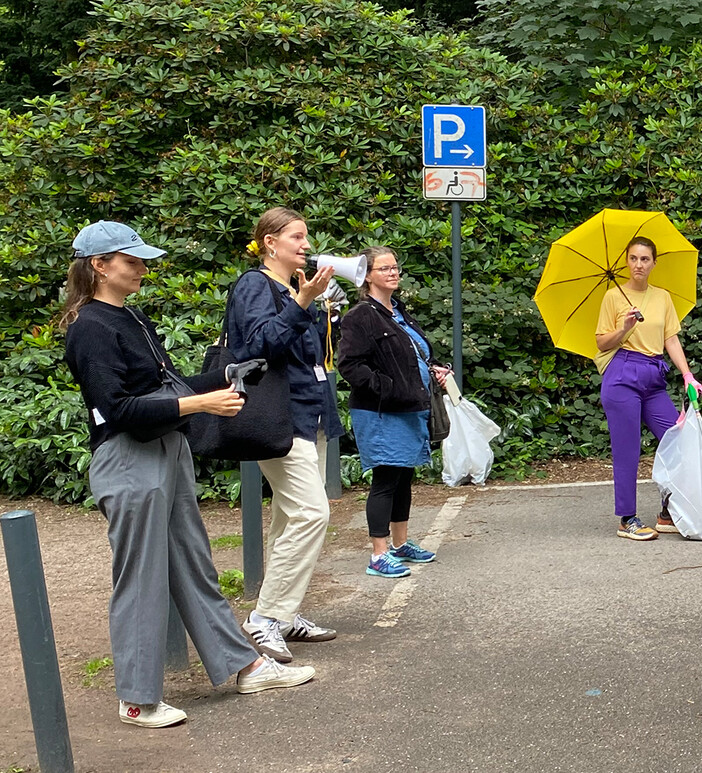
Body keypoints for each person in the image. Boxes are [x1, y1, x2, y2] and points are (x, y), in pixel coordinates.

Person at [62, 221, 315, 728]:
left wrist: (225, 375)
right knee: (140, 579)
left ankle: (244, 666)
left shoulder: (129, 317)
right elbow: (118, 410)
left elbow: (166, 386)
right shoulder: (90, 326)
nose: (141, 268)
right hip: (129, 457)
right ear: (99, 266)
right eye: (130, 261)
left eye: (141, 260)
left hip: (167, 449)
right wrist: (203, 402)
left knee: (195, 565)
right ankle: (136, 699)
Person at [228, 207, 345, 661]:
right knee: (311, 514)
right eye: (297, 236)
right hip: (277, 416)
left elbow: (311, 356)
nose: (307, 244)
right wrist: (301, 305)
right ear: (269, 242)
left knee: (286, 517)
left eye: (307, 236)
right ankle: (265, 619)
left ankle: (286, 611)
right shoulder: (254, 285)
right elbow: (256, 347)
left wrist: (319, 308)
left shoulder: (295, 288)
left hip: (307, 413)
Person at [338, 247, 447, 577]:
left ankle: (400, 545)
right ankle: (379, 553)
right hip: (382, 412)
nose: (393, 273)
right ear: (367, 275)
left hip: (411, 407)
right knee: (386, 479)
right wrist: (388, 387)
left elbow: (413, 357)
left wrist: (436, 370)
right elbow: (350, 365)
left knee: (404, 477)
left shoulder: (398, 312)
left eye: (395, 267)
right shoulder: (361, 316)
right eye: (384, 268)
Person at [595, 236, 702, 540]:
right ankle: (627, 519)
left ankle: (667, 513)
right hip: (622, 373)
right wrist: (625, 328)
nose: (638, 264)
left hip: (654, 376)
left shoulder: (662, 297)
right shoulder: (612, 297)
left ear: (654, 263)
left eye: (644, 259)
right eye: (633, 258)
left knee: (676, 440)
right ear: (626, 261)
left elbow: (670, 339)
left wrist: (687, 375)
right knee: (627, 450)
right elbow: (601, 342)